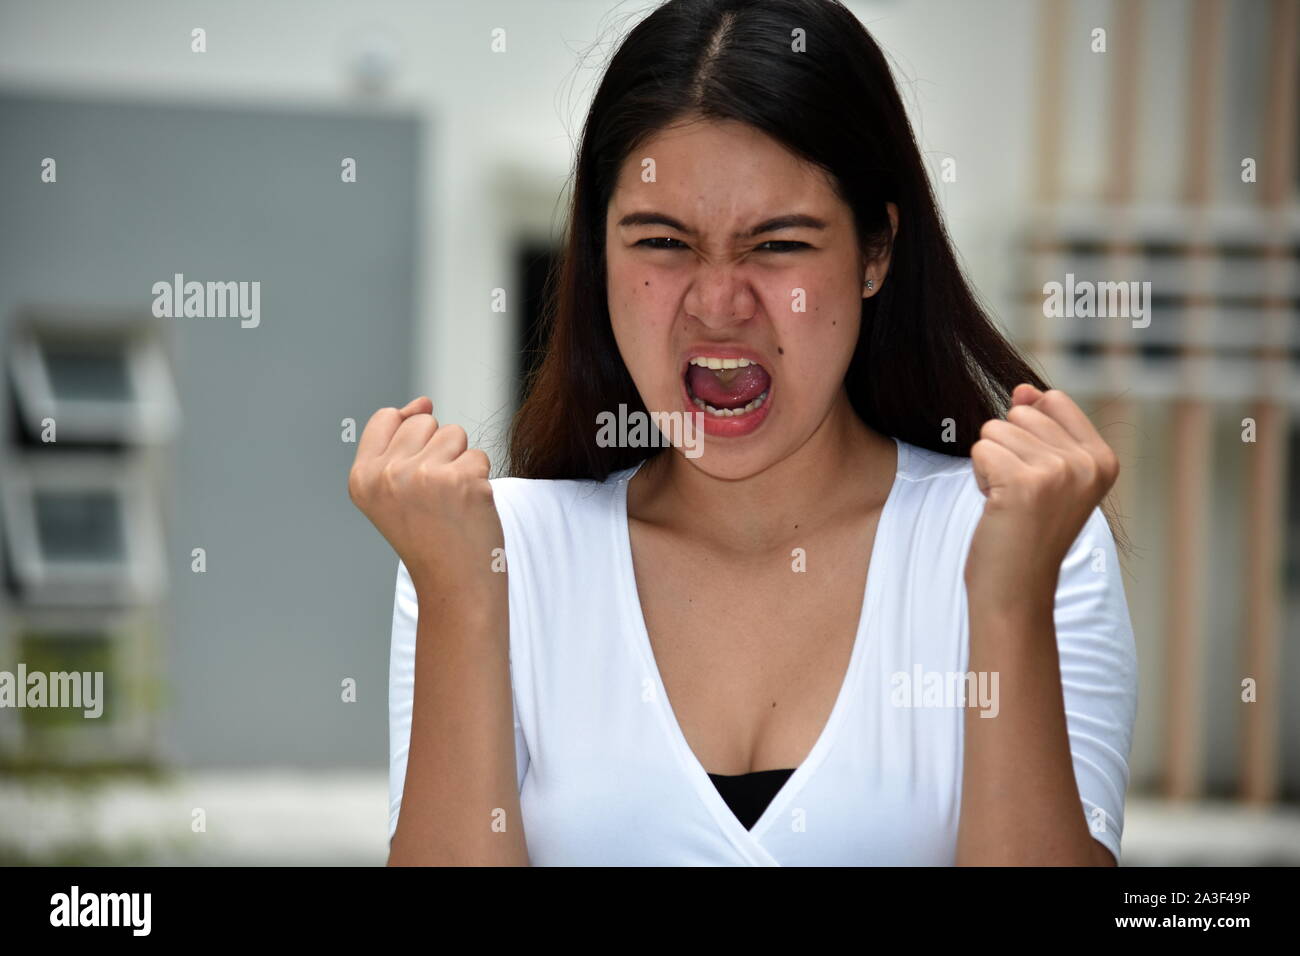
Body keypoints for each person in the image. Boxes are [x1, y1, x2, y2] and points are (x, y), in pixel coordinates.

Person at [351, 0, 1138, 865]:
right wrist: (461, 598)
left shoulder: (1023, 537)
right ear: (598, 253)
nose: (718, 303)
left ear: (875, 252)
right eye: (662, 241)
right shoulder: (489, 552)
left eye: (778, 245)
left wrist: (1005, 601)